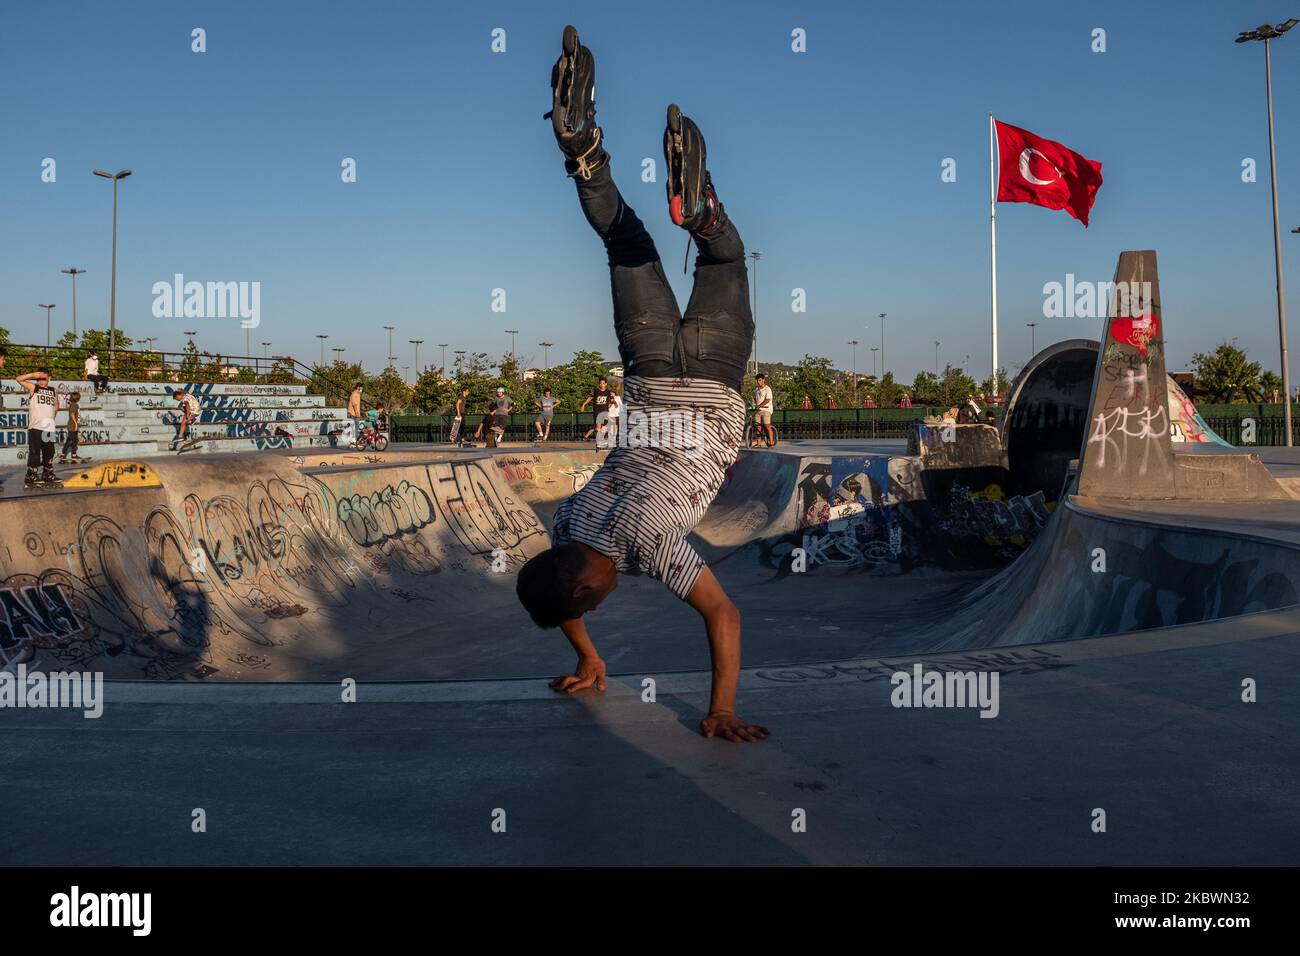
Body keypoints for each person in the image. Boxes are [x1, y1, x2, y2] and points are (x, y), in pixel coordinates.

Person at [516, 26, 769, 743]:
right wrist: (588, 655)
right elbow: (558, 589)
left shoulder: (654, 545)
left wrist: (718, 711)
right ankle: (587, 155)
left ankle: (707, 217)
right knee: (626, 241)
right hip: (650, 368)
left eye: (591, 611)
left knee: (722, 261)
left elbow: (725, 614)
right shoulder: (566, 526)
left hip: (715, 379)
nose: (594, 610)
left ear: (588, 588)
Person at [17, 368, 61, 488]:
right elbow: (18, 379)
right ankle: (31, 475)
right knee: (35, 452)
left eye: (44, 379)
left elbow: (56, 404)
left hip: (49, 426)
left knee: (49, 451)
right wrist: (32, 374)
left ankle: (47, 473)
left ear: (49, 379)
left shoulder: (53, 390)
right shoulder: (33, 388)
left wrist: (52, 416)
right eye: (39, 379)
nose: (41, 381)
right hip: (36, 426)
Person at [579, 376, 614, 441]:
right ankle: (599, 441)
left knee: (607, 426)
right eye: (600, 383)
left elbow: (612, 400)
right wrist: (583, 405)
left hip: (605, 411)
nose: (602, 385)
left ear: (606, 384)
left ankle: (587, 436)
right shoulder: (596, 391)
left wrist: (611, 403)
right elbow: (590, 398)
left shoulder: (608, 392)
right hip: (597, 411)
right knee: (598, 427)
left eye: (603, 383)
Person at [751, 372, 774, 447]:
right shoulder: (756, 390)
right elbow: (755, 398)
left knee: (767, 426)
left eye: (760, 380)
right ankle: (759, 443)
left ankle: (771, 443)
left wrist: (760, 405)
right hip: (758, 410)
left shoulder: (767, 389)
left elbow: (767, 399)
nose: (759, 382)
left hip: (766, 410)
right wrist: (753, 401)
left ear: (763, 380)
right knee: (758, 426)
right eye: (757, 380)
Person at [59, 391, 82, 463]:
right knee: (70, 441)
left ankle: (74, 455)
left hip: (74, 426)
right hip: (72, 426)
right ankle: (63, 455)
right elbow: (72, 414)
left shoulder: (74, 404)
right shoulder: (74, 405)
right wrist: (75, 424)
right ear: (77, 398)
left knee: (75, 441)